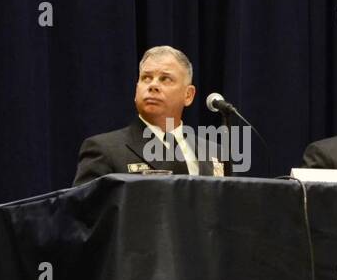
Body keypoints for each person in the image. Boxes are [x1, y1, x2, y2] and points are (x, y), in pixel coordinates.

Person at [73, 46, 225, 186]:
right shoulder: (105, 150)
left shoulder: (215, 154)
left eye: (165, 79)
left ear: (188, 95)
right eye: (146, 78)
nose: (153, 85)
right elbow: (81, 213)